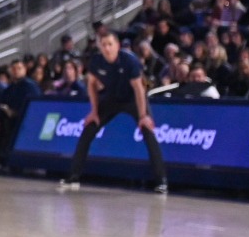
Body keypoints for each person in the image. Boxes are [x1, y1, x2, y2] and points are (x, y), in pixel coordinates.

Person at [60, 31, 169, 194]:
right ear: (99, 47)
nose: (107, 48)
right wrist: (94, 112)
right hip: (111, 98)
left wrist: (143, 116)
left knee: (148, 131)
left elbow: (139, 89)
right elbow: (91, 85)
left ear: (117, 46)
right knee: (89, 129)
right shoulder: (96, 61)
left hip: (133, 99)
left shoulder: (129, 61)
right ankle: (73, 177)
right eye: (103, 45)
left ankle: (161, 181)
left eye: (110, 44)